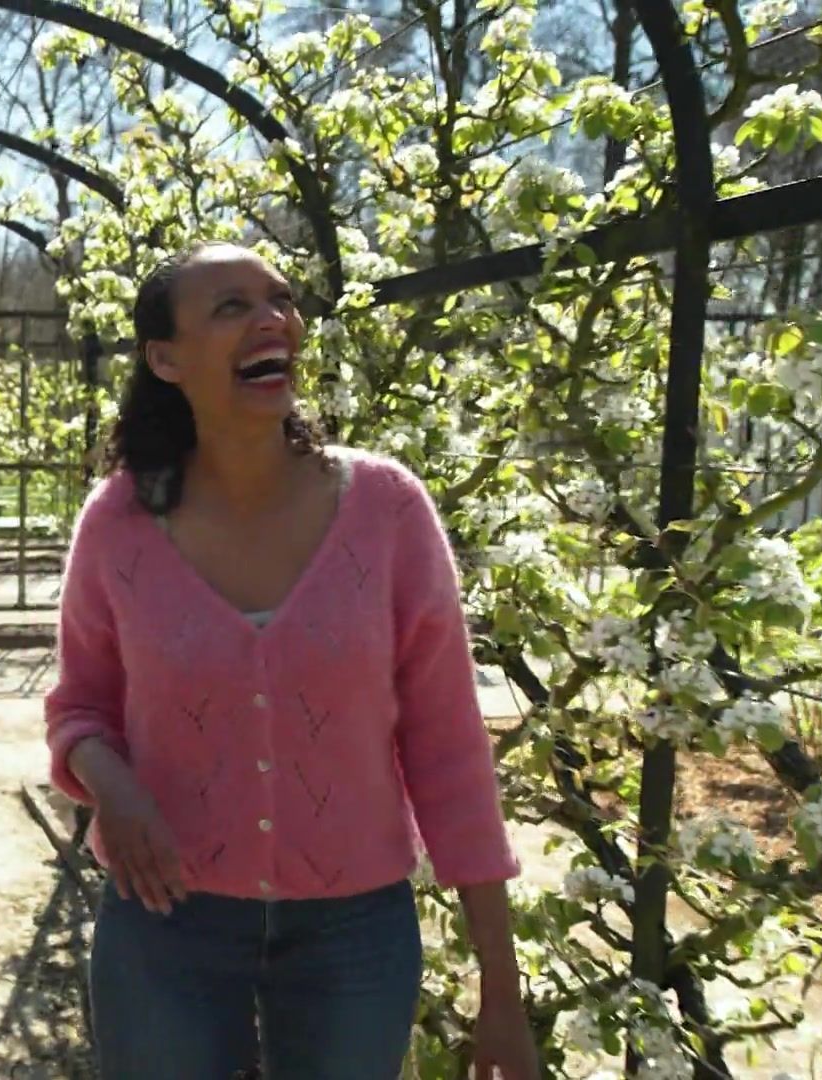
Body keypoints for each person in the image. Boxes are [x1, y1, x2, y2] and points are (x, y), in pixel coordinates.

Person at [43, 241, 538, 1079]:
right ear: (166, 358)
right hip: (165, 926)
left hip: (354, 937)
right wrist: (110, 784)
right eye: (231, 307)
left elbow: (450, 750)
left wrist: (501, 987)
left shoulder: (386, 511)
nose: (272, 318)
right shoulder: (117, 522)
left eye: (280, 300)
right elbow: (78, 708)